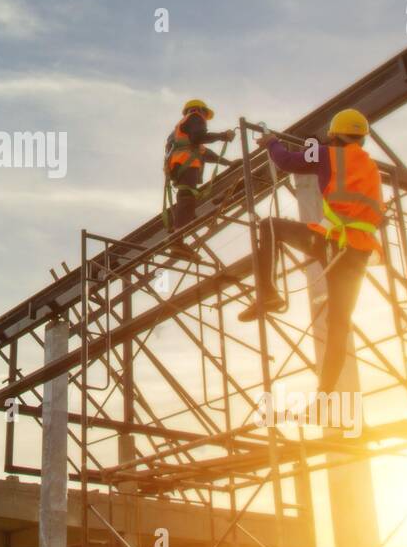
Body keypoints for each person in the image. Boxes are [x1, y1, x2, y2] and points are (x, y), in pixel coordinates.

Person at [237, 108, 384, 393]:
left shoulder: (327, 153)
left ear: (334, 134)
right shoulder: (371, 168)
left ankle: (268, 294)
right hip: (359, 253)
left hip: (331, 242)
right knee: (339, 325)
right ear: (362, 139)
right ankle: (324, 396)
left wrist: (271, 143)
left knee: (269, 225)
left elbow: (288, 162)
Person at [164, 100, 236, 256]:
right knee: (187, 197)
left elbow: (204, 152)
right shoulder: (195, 117)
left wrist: (228, 163)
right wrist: (223, 136)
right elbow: (200, 137)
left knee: (186, 197)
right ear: (198, 109)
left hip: (178, 166)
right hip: (185, 163)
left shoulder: (180, 133)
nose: (204, 118)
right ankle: (177, 240)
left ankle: (178, 236)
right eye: (205, 113)